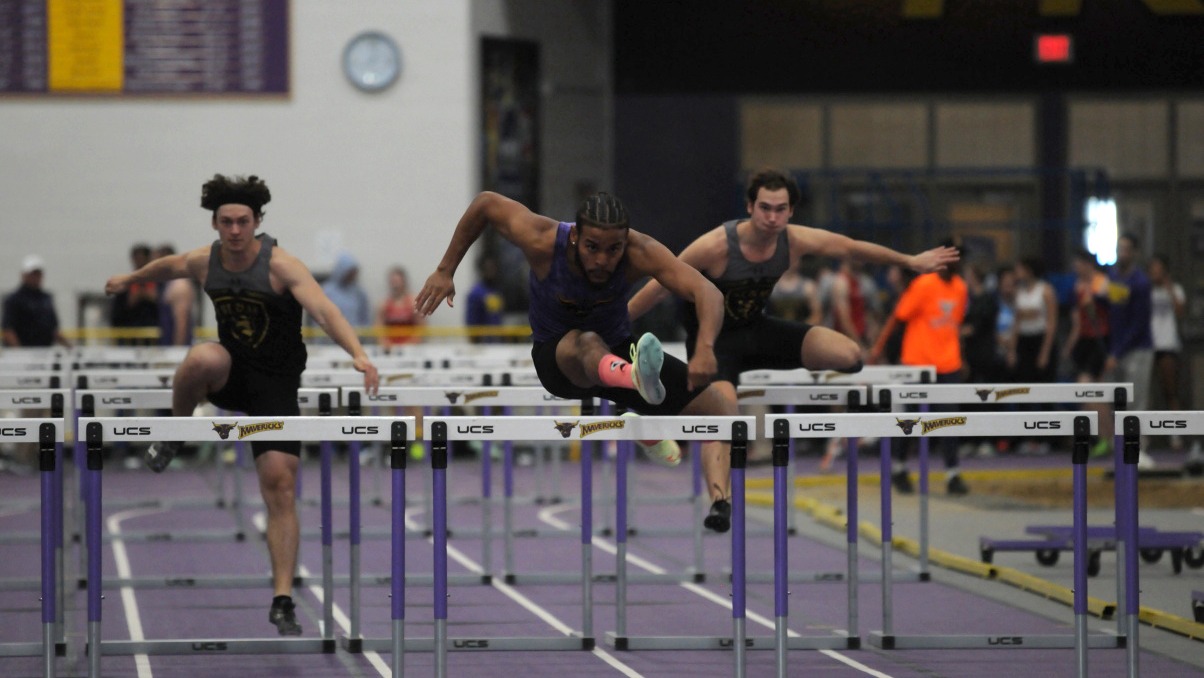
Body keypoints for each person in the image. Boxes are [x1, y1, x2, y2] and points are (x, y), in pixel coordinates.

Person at [104, 174, 380, 636]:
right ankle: (174, 433)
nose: (235, 230)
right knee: (197, 358)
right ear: (215, 223)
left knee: (279, 485)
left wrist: (359, 352)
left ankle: (283, 598)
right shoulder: (203, 261)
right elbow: (166, 266)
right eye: (226, 222)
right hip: (231, 371)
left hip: (274, 384)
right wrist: (130, 278)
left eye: (243, 222)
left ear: (256, 222)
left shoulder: (282, 265)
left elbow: (324, 310)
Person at [416, 190, 741, 532]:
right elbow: (485, 203)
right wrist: (444, 269)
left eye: (613, 249)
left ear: (625, 242)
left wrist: (705, 347)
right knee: (587, 343)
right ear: (575, 236)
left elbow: (708, 292)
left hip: (618, 353)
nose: (602, 260)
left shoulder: (640, 251)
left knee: (722, 411)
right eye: (592, 248)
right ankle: (641, 393)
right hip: (559, 360)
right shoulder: (542, 240)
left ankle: (714, 494)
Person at [625, 168, 958, 472]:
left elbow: (850, 247)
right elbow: (660, 285)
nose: (772, 217)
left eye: (780, 209)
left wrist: (909, 261)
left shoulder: (795, 239)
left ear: (791, 211)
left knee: (850, 357)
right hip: (716, 341)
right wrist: (617, 321)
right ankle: (666, 427)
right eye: (765, 208)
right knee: (725, 419)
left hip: (758, 332)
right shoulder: (715, 245)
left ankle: (666, 419)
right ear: (750, 207)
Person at [868, 239, 969, 495]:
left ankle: (952, 474)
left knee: (949, 419)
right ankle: (900, 468)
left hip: (948, 364)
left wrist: (960, 357)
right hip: (917, 364)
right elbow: (897, 318)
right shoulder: (923, 285)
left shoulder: (960, 288)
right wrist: (878, 349)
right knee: (910, 420)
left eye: (957, 260)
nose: (952, 265)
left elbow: (953, 326)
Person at [1102, 232, 1154, 469]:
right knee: (1116, 401)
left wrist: (1117, 352)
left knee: (1136, 401)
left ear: (1134, 253)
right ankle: (1121, 447)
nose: (1121, 253)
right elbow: (1114, 312)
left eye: (1126, 249)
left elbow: (1138, 323)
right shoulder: (1113, 277)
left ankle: (1139, 449)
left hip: (1138, 350)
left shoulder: (1140, 283)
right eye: (1119, 248)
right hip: (1116, 350)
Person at [1063, 248, 1112, 457]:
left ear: (1087, 264)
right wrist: (1070, 345)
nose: (1075, 267)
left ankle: (1106, 437)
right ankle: (1097, 438)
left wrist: (1097, 299)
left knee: (1090, 389)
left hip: (1100, 340)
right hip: (1084, 342)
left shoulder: (1101, 283)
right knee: (1086, 395)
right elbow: (1077, 321)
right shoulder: (1077, 286)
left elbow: (1113, 311)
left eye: (1078, 263)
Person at [1147, 253, 1187, 452]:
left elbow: (1180, 311)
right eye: (1151, 268)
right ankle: (1145, 437)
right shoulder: (1146, 291)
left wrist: (1169, 288)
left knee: (1170, 391)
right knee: (1145, 392)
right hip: (1148, 346)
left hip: (1168, 345)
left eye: (1157, 268)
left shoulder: (1176, 289)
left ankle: (1175, 435)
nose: (1154, 272)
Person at [2, 255, 72, 349]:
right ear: (23, 275)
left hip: (44, 354)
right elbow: (8, 330)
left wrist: (70, 347)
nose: (35, 277)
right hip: (22, 356)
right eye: (32, 274)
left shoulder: (46, 299)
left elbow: (53, 330)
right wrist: (19, 353)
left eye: (38, 274)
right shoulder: (13, 300)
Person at [110, 243, 160, 346]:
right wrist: (130, 302)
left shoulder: (160, 285)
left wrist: (154, 299)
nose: (139, 264)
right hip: (129, 339)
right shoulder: (124, 286)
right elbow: (116, 316)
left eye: (143, 260)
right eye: (137, 260)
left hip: (154, 339)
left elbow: (167, 313)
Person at [320, 251, 372, 343]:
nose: (352, 276)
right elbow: (318, 318)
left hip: (354, 343)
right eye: (349, 272)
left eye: (353, 272)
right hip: (329, 343)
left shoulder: (359, 293)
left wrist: (363, 339)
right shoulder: (327, 291)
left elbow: (365, 319)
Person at [154, 244, 197, 347]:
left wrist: (177, 351)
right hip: (167, 345)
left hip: (176, 348)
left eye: (155, 264)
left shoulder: (179, 286)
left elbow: (181, 323)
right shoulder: (167, 284)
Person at [378, 265, 423, 346]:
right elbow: (379, 329)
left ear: (404, 282)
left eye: (397, 282)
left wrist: (409, 344)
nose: (395, 285)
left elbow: (421, 328)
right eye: (393, 282)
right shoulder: (384, 305)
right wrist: (385, 343)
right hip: (390, 348)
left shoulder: (413, 303)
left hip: (410, 347)